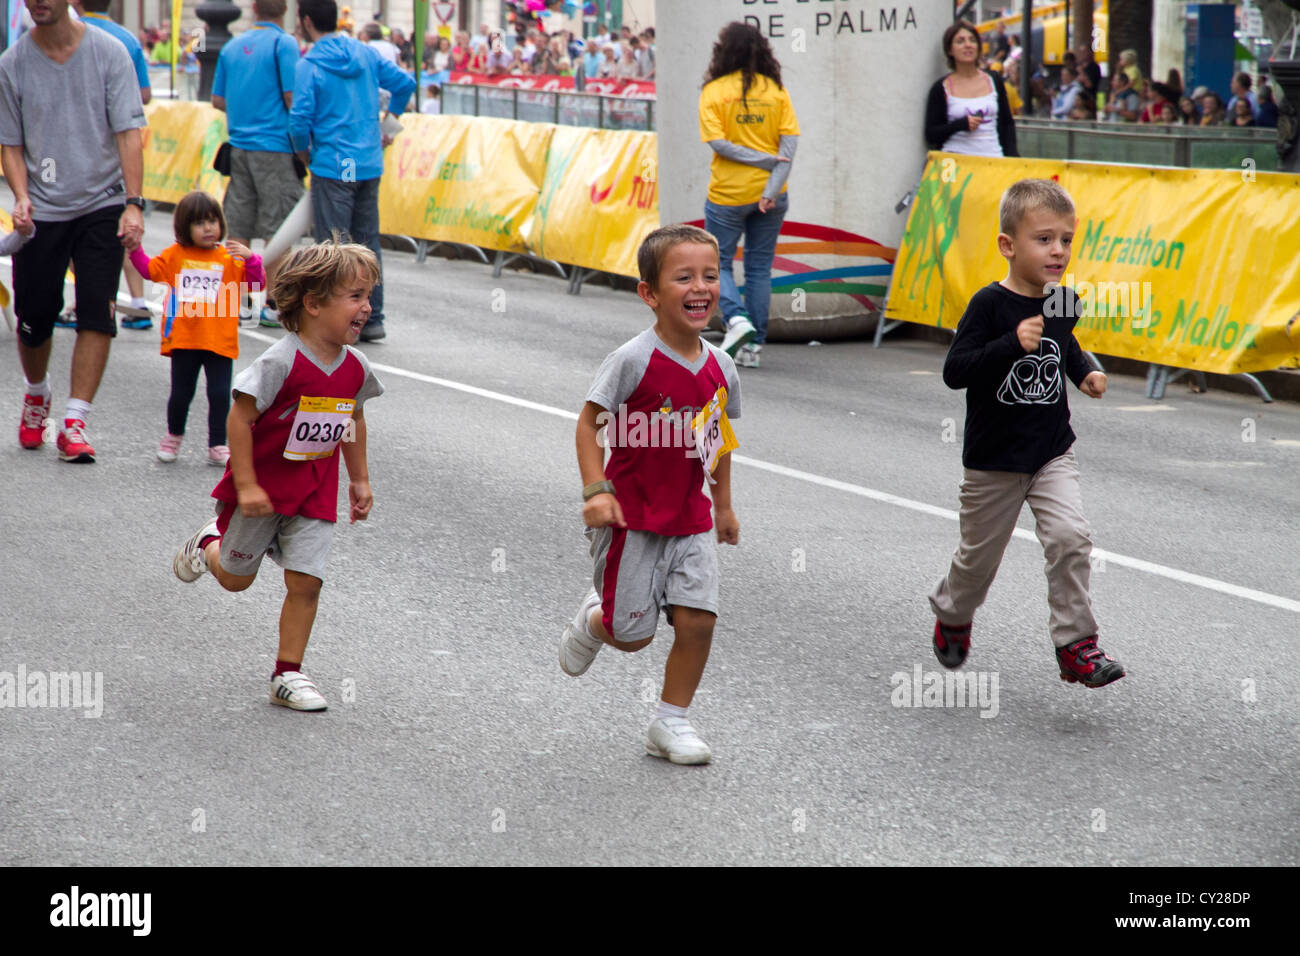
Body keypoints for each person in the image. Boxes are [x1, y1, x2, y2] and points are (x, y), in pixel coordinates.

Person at [929, 178, 1125, 690]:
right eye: (1044, 239)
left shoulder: (1063, 302)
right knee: (977, 561)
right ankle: (953, 613)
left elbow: (1065, 345)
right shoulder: (988, 306)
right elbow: (957, 370)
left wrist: (1084, 373)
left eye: (1065, 239)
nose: (1057, 250)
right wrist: (1010, 345)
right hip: (993, 461)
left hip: (1049, 453)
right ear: (1008, 245)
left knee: (1071, 538)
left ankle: (1076, 644)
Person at [171, 240, 383, 711]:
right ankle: (208, 545)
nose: (367, 307)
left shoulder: (356, 368)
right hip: (262, 492)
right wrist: (245, 485)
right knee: (235, 579)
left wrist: (359, 480)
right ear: (312, 304)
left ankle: (287, 674)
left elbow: (355, 418)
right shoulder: (280, 362)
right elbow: (239, 420)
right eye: (356, 296)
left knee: (306, 581)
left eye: (369, 296)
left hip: (313, 492)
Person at [559, 223, 741, 765]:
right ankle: (596, 619)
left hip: (691, 519)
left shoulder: (721, 367)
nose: (700, 287)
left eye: (710, 275)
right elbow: (589, 424)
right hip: (630, 521)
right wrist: (596, 490)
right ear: (650, 293)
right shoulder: (633, 360)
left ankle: (671, 721)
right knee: (631, 635)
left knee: (698, 620)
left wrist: (724, 504)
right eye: (683, 277)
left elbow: (718, 440)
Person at [0, 0, 146, 462]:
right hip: (42, 209)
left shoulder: (109, 52)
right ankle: (37, 394)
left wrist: (134, 204)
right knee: (34, 317)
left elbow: (128, 132)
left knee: (96, 313)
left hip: (101, 201)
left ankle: (75, 421)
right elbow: (11, 143)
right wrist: (22, 197)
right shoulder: (12, 64)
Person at [290, 0, 414, 342]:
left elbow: (299, 120)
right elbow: (405, 84)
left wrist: (305, 154)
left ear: (307, 21)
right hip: (367, 160)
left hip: (333, 162)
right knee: (367, 243)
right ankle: (372, 319)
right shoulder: (365, 53)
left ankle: (338, 323)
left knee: (333, 245)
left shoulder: (309, 64)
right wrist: (388, 127)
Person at [126, 191, 264, 465]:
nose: (208, 228)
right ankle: (173, 436)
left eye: (213, 221)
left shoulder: (230, 258)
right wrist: (134, 249)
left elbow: (256, 285)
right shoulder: (176, 254)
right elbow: (149, 270)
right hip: (185, 339)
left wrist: (251, 259)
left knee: (219, 394)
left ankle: (217, 444)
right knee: (181, 393)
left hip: (220, 341)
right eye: (200, 223)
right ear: (185, 227)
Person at [699, 21, 799, 370]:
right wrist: (770, 185)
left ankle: (736, 319)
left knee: (717, 262)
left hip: (728, 193)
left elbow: (719, 144)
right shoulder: (776, 90)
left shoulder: (713, 91)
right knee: (759, 269)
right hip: (772, 194)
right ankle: (754, 347)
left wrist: (757, 159)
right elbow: (789, 147)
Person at [212, 0, 303, 328]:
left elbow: (217, 100)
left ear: (253, 8)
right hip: (275, 146)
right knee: (278, 228)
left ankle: (240, 300)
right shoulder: (285, 43)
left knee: (240, 227)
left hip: (239, 147)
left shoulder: (233, 45)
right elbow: (294, 98)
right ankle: (274, 303)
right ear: (284, 10)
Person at [74, 0, 153, 329]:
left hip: (78, 150)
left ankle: (86, 305)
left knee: (75, 228)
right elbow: (144, 94)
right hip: (121, 150)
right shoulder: (128, 40)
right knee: (125, 226)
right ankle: (136, 302)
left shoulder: (72, 38)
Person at [925, 21, 1018, 157]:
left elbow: (1007, 124)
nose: (968, 45)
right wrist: (960, 125)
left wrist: (1013, 157)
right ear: (950, 50)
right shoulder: (941, 88)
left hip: (993, 161)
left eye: (972, 40)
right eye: (960, 41)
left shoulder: (994, 80)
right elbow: (931, 134)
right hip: (955, 165)